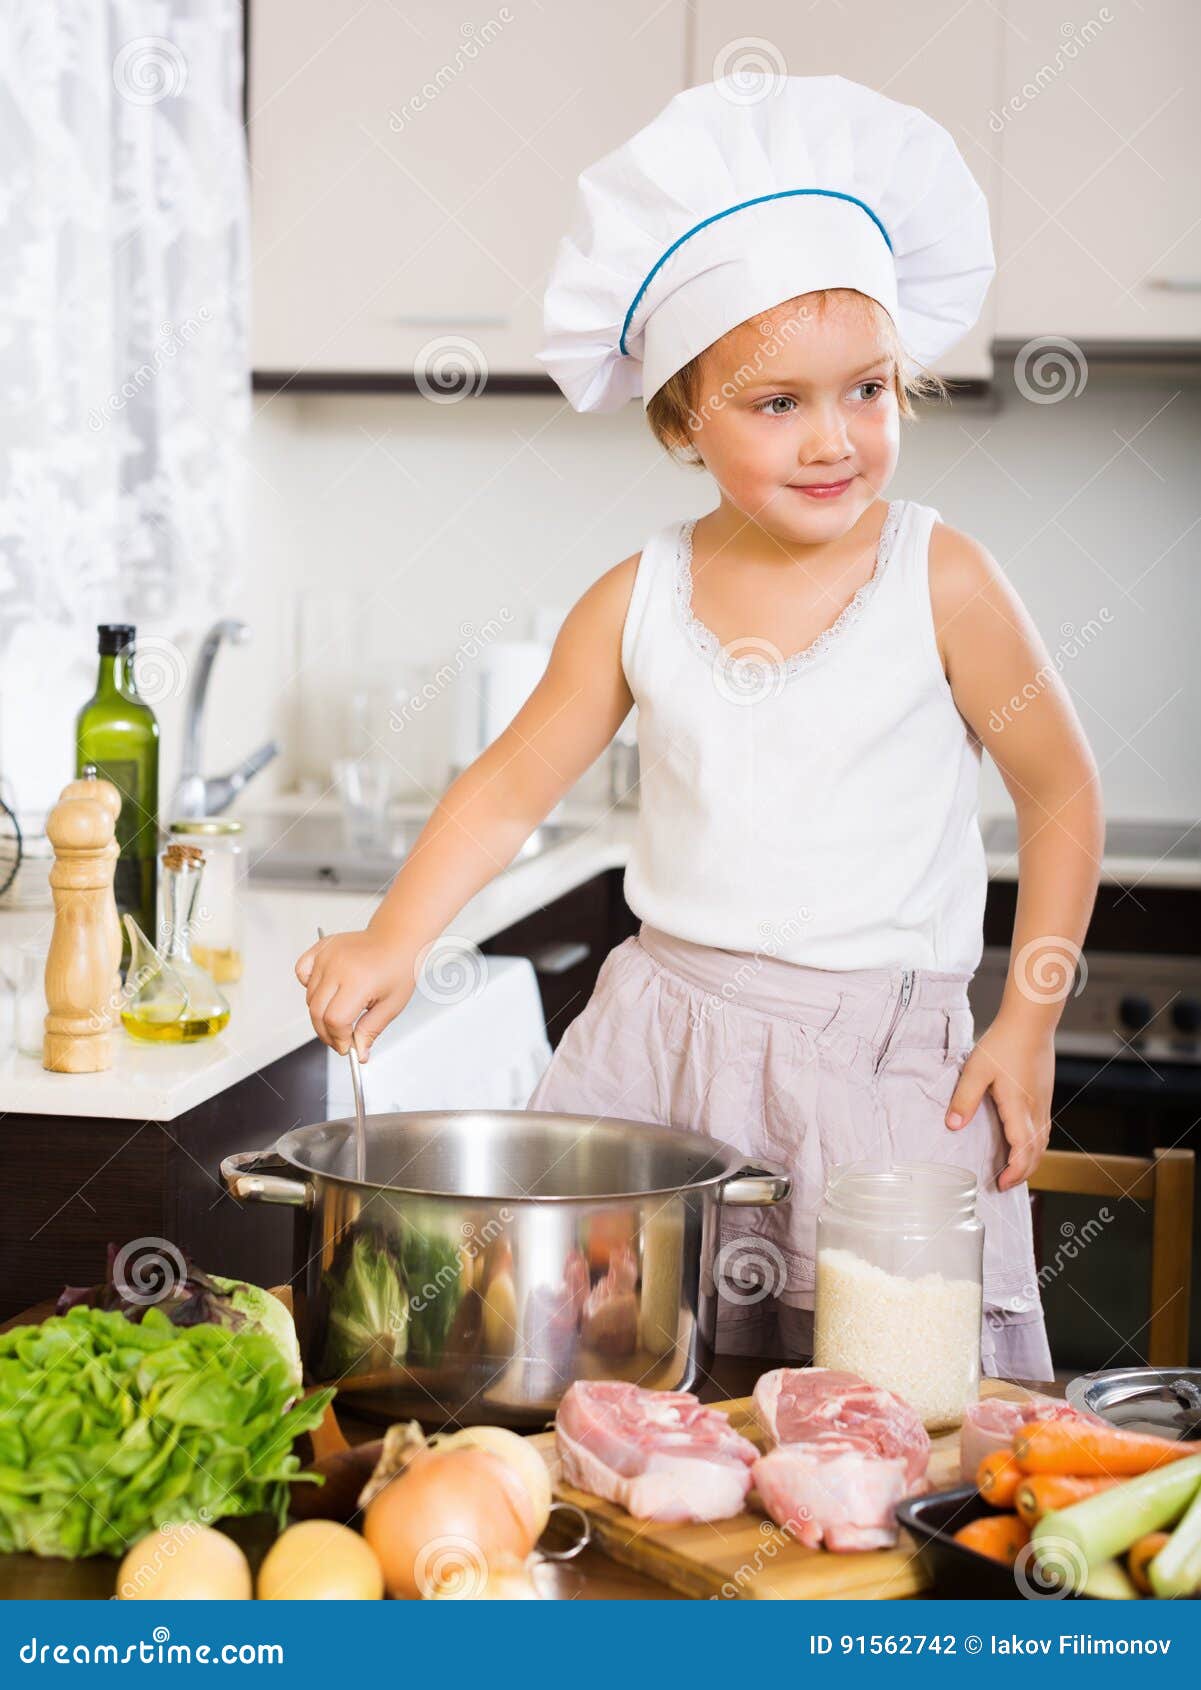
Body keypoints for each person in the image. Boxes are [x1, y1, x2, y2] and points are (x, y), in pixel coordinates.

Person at [296, 75, 1102, 1381]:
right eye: (778, 403)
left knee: (887, 1405)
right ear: (681, 416)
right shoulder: (637, 596)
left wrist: (1029, 1016)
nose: (834, 439)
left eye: (868, 389)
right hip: (654, 1039)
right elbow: (506, 788)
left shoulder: (941, 577)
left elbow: (1061, 792)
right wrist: (398, 935)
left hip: (881, 1068)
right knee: (623, 1378)